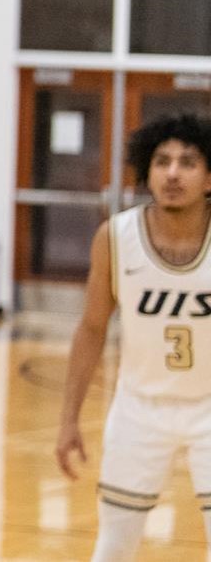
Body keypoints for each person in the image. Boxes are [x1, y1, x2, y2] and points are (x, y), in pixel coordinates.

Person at [59, 115, 211, 560]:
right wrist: (68, 420)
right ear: (146, 171)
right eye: (162, 161)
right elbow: (91, 329)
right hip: (139, 408)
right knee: (113, 547)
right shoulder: (115, 237)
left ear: (209, 178)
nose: (173, 173)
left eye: (187, 162)